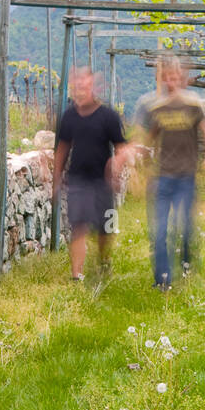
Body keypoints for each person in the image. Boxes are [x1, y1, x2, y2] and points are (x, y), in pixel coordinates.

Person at [141, 56, 205, 290]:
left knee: (185, 227)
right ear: (163, 79)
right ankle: (162, 280)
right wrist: (144, 166)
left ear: (182, 79)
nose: (171, 82)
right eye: (167, 78)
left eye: (175, 78)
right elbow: (149, 138)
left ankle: (186, 262)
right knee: (160, 229)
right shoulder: (156, 108)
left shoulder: (194, 105)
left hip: (186, 177)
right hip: (163, 178)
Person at [53, 68, 137, 281]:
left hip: (103, 182)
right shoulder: (69, 116)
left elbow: (121, 147)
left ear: (92, 87)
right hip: (78, 181)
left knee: (106, 229)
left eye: (84, 85)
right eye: (76, 86)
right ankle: (76, 275)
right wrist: (55, 178)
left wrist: (117, 165)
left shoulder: (108, 116)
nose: (80, 89)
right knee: (78, 226)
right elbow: (62, 148)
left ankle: (104, 261)